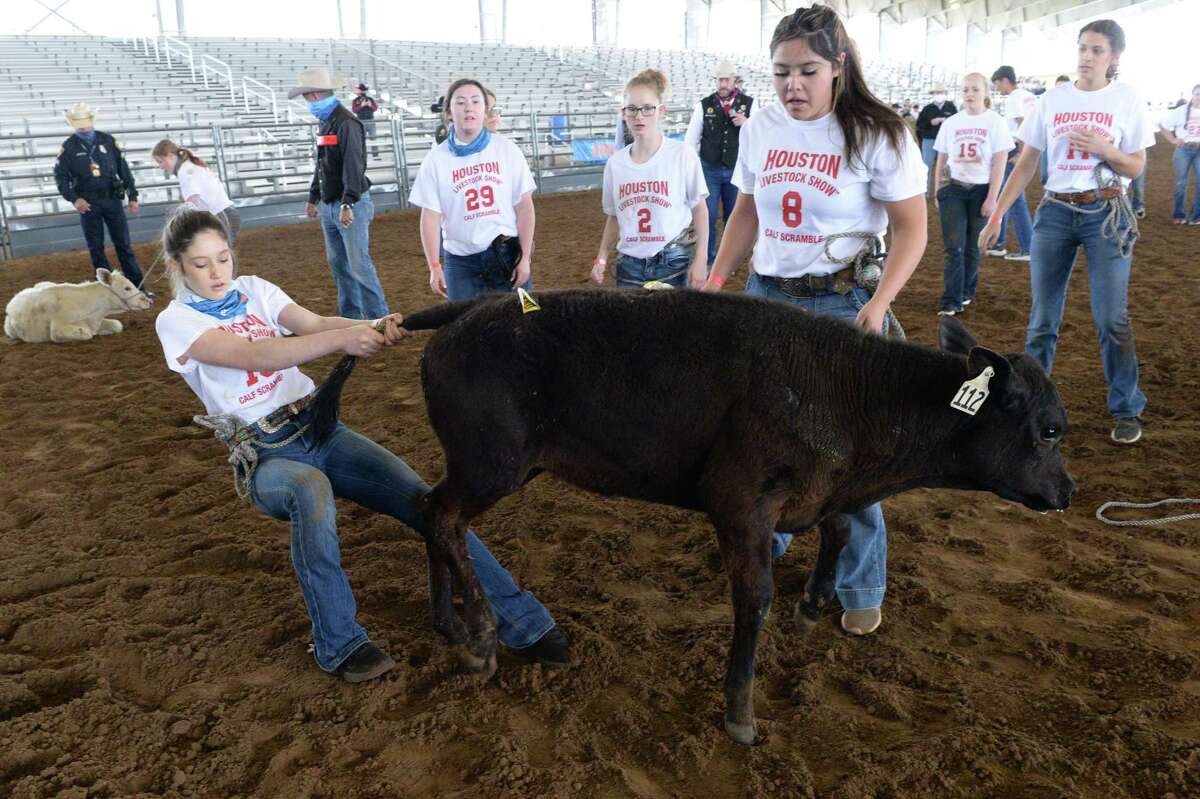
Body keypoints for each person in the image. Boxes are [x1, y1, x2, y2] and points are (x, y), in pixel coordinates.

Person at [153, 208, 571, 683]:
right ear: (178, 266)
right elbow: (259, 355)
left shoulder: (253, 289)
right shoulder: (177, 322)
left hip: (320, 428)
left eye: (223, 258)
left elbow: (314, 323)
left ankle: (523, 621)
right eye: (202, 264)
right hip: (267, 454)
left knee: (428, 503)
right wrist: (344, 340)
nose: (217, 272)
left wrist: (372, 324)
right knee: (309, 491)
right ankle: (338, 643)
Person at [703, 5, 927, 636]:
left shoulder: (880, 132)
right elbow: (746, 210)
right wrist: (718, 280)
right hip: (766, 298)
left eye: (806, 70)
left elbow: (912, 229)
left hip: (840, 306)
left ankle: (861, 579)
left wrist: (878, 304)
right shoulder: (762, 127)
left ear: (838, 67)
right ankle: (767, 541)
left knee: (847, 455)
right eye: (780, 73)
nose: (792, 85)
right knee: (752, 437)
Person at [980, 19, 1153, 445]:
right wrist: (998, 214)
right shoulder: (1053, 99)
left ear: (1114, 57)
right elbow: (1027, 163)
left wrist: (1105, 150)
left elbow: (1137, 165)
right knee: (1042, 318)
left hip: (1107, 211)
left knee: (1112, 318)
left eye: (1096, 50)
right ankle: (1030, 408)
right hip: (1056, 212)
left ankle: (1127, 406)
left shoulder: (1126, 99)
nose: (1086, 57)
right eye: (1082, 48)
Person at [410, 78, 536, 301]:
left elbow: (525, 206)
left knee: (522, 324)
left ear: (485, 110)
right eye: (460, 102)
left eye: (476, 101)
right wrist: (434, 265)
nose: (469, 107)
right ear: (448, 112)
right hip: (460, 261)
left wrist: (524, 257)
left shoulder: (507, 150)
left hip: (506, 254)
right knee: (465, 328)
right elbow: (430, 215)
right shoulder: (435, 160)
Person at [590, 69, 708, 289]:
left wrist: (701, 260)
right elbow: (614, 216)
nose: (639, 116)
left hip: (673, 262)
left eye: (647, 108)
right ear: (623, 112)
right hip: (628, 264)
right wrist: (602, 257)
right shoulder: (615, 164)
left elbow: (699, 209)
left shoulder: (682, 155)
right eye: (632, 109)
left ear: (661, 111)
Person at [289, 68, 389, 321]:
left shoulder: (346, 122)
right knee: (340, 264)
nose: (308, 102)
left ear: (317, 94)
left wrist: (348, 202)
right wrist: (315, 196)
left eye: (309, 97)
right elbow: (322, 163)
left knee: (357, 264)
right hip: (332, 202)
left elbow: (354, 165)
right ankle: (352, 316)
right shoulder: (329, 122)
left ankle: (378, 318)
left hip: (347, 202)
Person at [932, 73, 1013, 316]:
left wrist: (992, 197)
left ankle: (967, 290)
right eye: (966, 89)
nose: (969, 94)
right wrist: (938, 188)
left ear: (985, 93)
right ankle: (951, 300)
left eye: (975, 89)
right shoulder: (951, 123)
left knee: (972, 247)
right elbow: (942, 158)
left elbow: (1000, 161)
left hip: (981, 190)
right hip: (953, 188)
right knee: (953, 246)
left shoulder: (995, 122)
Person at [54, 102, 146, 292]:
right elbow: (61, 178)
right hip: (88, 203)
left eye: (86, 123)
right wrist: (74, 198)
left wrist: (133, 195)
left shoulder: (108, 141)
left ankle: (137, 285)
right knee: (96, 248)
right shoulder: (68, 148)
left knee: (124, 245)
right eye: (79, 123)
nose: (84, 127)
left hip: (112, 199)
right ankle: (106, 290)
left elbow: (123, 169)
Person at [684, 59, 753, 266]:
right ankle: (708, 258)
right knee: (708, 216)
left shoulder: (749, 104)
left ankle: (730, 260)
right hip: (709, 169)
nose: (722, 84)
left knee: (734, 217)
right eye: (719, 80)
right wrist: (691, 169)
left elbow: (761, 135)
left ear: (734, 81)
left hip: (737, 170)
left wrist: (746, 124)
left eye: (726, 80)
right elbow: (690, 140)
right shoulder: (703, 105)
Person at [150, 139, 241, 245]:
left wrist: (181, 215)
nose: (160, 166)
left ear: (171, 156)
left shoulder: (185, 171)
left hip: (222, 217)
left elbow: (192, 200)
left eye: (161, 161)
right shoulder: (189, 166)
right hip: (224, 216)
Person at [989, 66, 1036, 261]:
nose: (998, 88)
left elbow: (1022, 123)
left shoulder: (1014, 98)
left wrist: (1022, 152)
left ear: (1004, 80)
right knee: (1006, 194)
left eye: (998, 83)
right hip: (1028, 146)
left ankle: (1027, 247)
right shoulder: (1029, 96)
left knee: (1014, 198)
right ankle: (999, 242)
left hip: (1017, 147)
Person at [1160, 83, 1200, 224]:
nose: (1199, 97)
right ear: (1192, 95)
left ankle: (1196, 216)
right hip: (1183, 150)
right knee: (1181, 184)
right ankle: (1179, 215)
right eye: (1197, 94)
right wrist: (1172, 139)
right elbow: (1163, 125)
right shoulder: (1181, 111)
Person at [916, 84, 958, 192]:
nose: (939, 95)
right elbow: (919, 124)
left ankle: (944, 190)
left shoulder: (951, 107)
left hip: (947, 141)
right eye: (936, 93)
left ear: (945, 94)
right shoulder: (927, 109)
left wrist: (947, 122)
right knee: (926, 166)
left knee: (946, 167)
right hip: (929, 140)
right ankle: (924, 191)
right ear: (933, 94)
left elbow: (957, 123)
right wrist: (930, 122)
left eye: (941, 92)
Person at [1040, 75, 1073, 184]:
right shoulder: (1049, 104)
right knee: (1044, 175)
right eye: (1058, 88)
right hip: (1049, 142)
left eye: (1063, 87)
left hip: (1068, 146)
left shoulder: (1076, 105)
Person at [351, 83, 380, 158]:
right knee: (361, 139)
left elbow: (375, 108)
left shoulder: (370, 99)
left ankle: (375, 155)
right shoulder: (355, 100)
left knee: (373, 138)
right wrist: (362, 105)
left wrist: (370, 105)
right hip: (361, 121)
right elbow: (354, 110)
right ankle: (362, 156)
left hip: (370, 120)